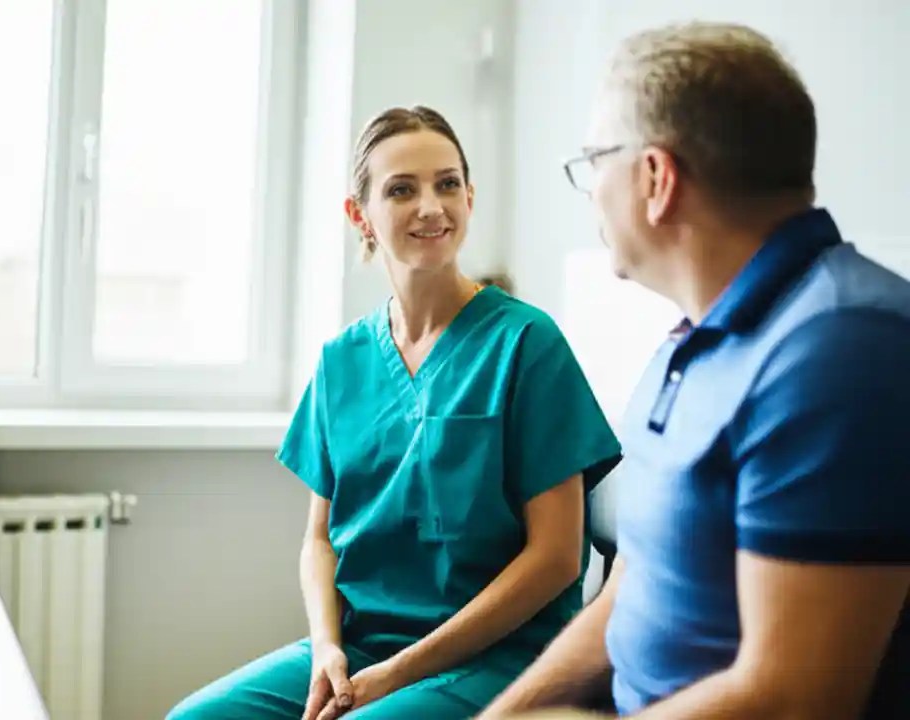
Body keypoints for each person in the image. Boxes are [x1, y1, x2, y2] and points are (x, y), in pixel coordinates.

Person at [481, 22, 910, 720]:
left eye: (594, 160)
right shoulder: (688, 345)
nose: (588, 189)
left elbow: (799, 696)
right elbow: (634, 586)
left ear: (656, 178)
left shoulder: (841, 349)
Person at [168, 106, 621, 720]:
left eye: (448, 183)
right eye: (402, 190)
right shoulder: (342, 360)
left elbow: (557, 558)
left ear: (470, 195)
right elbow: (318, 540)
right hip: (361, 645)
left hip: (500, 653)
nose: (431, 206)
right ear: (360, 215)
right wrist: (329, 649)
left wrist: (401, 673)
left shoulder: (526, 344)